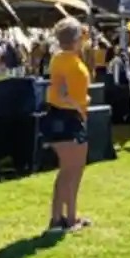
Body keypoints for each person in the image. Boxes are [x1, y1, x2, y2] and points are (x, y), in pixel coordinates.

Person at [43, 18, 93, 232]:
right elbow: (64, 93)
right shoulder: (70, 62)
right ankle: (69, 219)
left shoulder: (59, 58)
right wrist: (81, 105)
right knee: (73, 171)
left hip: (61, 116)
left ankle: (59, 218)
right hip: (69, 116)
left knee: (67, 171)